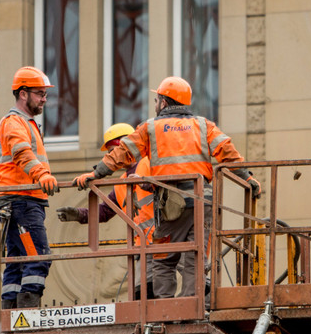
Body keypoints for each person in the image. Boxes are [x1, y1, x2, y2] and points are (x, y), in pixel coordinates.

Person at [73, 76, 260, 299]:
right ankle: (193, 306)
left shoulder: (151, 128)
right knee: (195, 257)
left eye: (156, 100)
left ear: (163, 102)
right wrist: (248, 178)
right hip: (203, 202)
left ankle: (166, 308)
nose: (155, 104)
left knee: (162, 259)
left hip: (171, 205)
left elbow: (122, 153)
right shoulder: (204, 125)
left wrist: (95, 174)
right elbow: (228, 153)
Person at [0, 66, 60, 309]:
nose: (44, 99)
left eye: (45, 94)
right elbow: (21, 153)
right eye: (40, 93)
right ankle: (26, 318)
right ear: (23, 94)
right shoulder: (15, 122)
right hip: (22, 201)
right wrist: (42, 174)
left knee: (17, 261)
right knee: (38, 257)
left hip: (19, 202)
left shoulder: (26, 123)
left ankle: (10, 316)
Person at [56, 122, 155, 242]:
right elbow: (105, 211)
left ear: (126, 146)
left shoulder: (150, 163)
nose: (111, 156)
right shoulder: (121, 184)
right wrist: (79, 214)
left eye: (113, 151)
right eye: (109, 153)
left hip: (164, 240)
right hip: (143, 246)